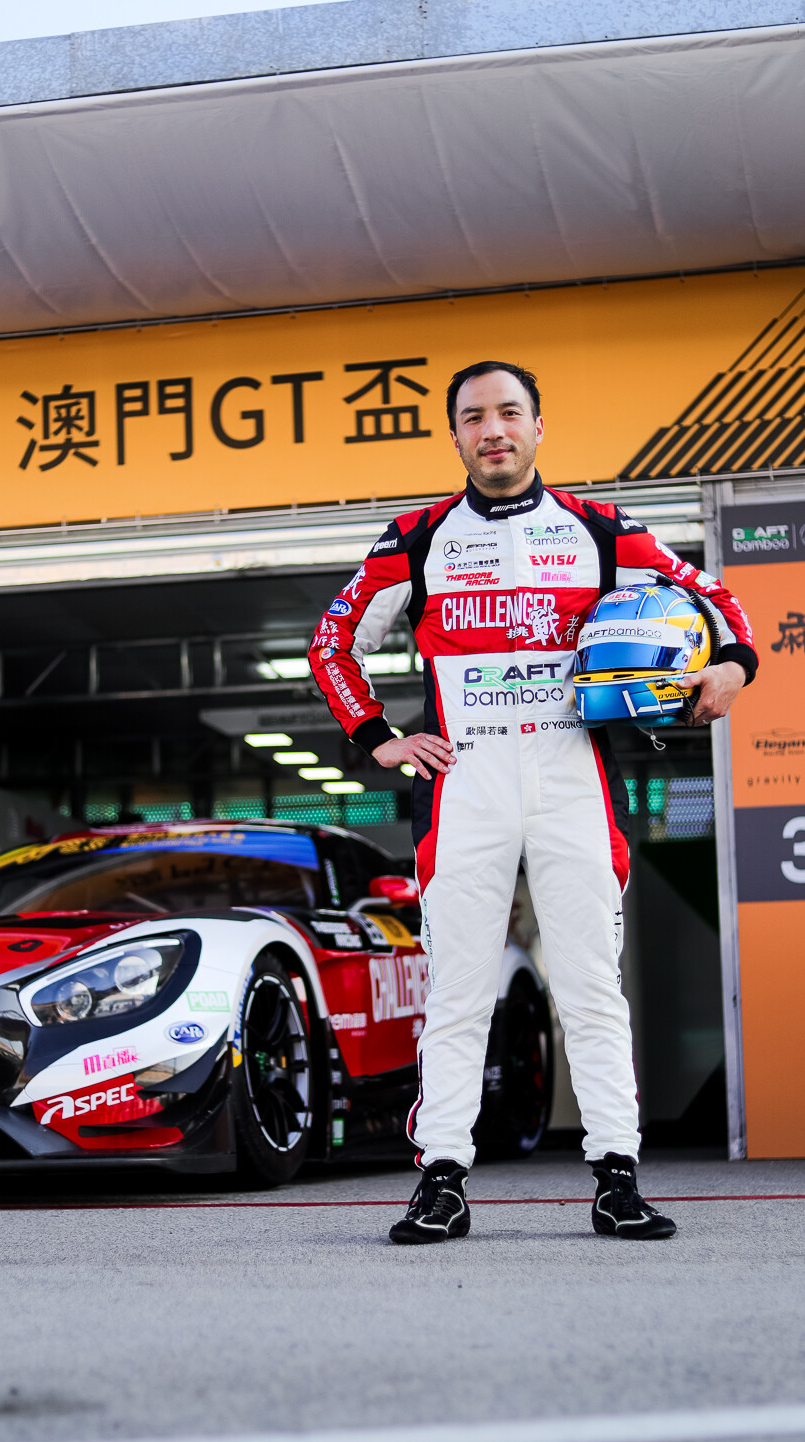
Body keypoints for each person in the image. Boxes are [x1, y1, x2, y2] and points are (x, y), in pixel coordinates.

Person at [307, 361, 757, 1243]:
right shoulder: (416, 535)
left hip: (572, 780)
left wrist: (732, 665)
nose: (494, 430)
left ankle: (616, 1178)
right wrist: (375, 737)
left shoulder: (598, 528)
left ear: (539, 426)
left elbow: (715, 597)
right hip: (462, 784)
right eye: (474, 417)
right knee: (458, 991)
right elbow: (333, 642)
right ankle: (441, 1178)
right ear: (456, 436)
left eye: (510, 412)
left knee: (590, 985)